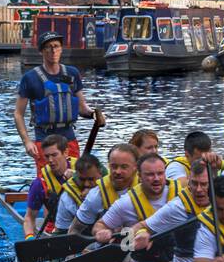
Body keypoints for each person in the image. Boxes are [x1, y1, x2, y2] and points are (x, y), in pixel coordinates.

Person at [14, 30, 104, 165]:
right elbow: (18, 114)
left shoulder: (72, 73)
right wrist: (27, 141)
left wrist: (94, 114)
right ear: (41, 51)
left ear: (61, 49)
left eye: (56, 46)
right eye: (47, 47)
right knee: (47, 182)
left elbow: (82, 107)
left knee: (73, 181)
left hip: (69, 140)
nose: (52, 50)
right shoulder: (30, 78)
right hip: (44, 140)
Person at [92, 153, 179, 262]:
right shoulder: (126, 203)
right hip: (142, 256)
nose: (156, 179)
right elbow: (100, 225)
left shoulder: (180, 195)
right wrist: (102, 232)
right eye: (150, 174)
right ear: (139, 177)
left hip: (175, 253)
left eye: (160, 173)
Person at [70, 143, 139, 235]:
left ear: (136, 167)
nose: (118, 171)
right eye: (114, 166)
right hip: (110, 243)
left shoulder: (147, 186)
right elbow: (74, 230)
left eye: (124, 167)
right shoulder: (96, 195)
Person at [22, 134, 75, 239]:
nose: (50, 160)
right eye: (47, 156)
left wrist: (78, 176)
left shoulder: (83, 169)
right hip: (59, 230)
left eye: (54, 155)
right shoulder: (39, 184)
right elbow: (29, 218)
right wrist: (29, 237)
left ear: (65, 153)